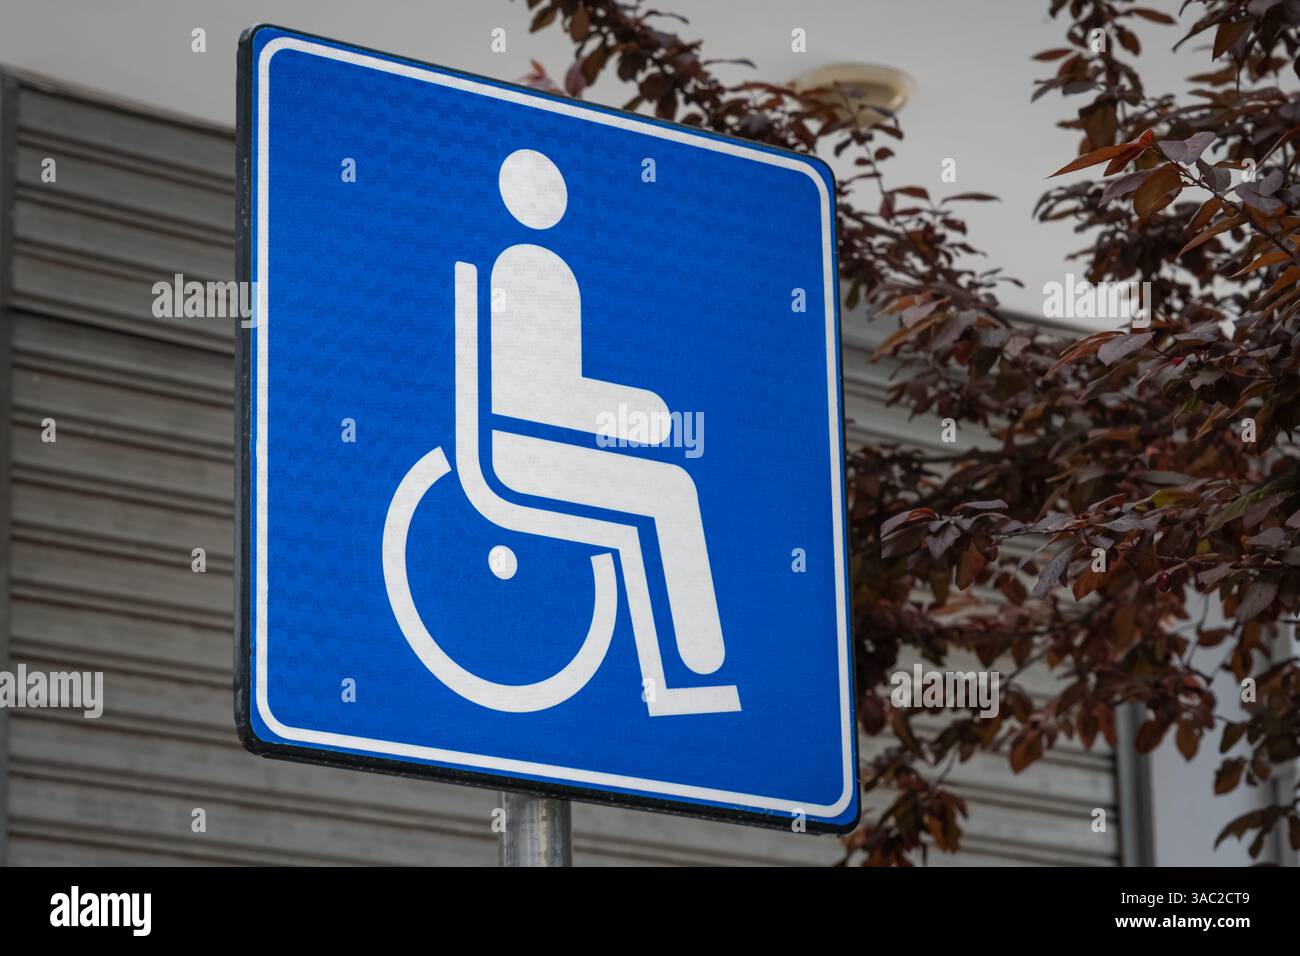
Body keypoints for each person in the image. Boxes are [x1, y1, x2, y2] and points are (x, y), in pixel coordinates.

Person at [487, 149, 726, 676]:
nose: (551, 196)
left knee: (674, 486)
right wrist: (642, 417)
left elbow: (557, 388)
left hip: (549, 441)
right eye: (537, 185)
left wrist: (638, 415)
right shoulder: (520, 270)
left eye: (553, 184)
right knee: (669, 491)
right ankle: (695, 661)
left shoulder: (553, 272)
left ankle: (691, 665)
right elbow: (523, 393)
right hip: (520, 448)